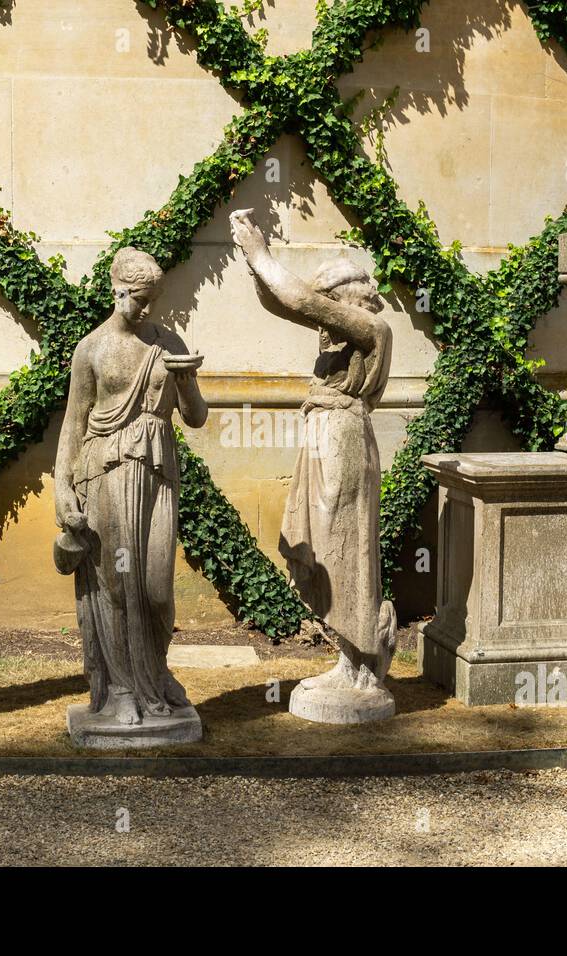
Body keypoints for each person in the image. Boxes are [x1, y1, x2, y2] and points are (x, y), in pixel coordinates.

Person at [230, 210, 398, 705]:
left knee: (342, 545)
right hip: (326, 432)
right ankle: (350, 661)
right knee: (329, 546)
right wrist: (251, 261)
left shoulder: (370, 326)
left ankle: (360, 665)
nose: (322, 315)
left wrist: (263, 253)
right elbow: (288, 305)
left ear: (349, 296)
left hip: (343, 436)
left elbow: (300, 299)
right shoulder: (345, 328)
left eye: (331, 303)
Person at [53, 248, 208, 727]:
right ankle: (120, 687)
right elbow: (73, 424)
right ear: (118, 290)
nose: (147, 310)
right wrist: (63, 489)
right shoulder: (92, 349)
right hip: (106, 471)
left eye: (152, 300)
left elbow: (197, 416)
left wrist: (184, 381)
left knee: (158, 587)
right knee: (116, 586)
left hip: (158, 472)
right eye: (139, 299)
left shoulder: (167, 342)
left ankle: (156, 673)